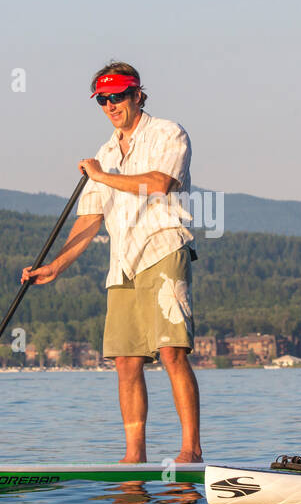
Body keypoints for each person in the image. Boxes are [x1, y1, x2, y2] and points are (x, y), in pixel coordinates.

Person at [21, 61, 202, 465]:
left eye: (117, 96)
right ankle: (133, 457)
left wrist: (102, 177)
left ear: (138, 95)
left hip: (163, 248)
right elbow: (88, 220)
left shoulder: (168, 133)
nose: (110, 105)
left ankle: (190, 450)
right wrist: (56, 266)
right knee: (125, 361)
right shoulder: (104, 154)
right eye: (103, 99)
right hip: (122, 263)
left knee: (172, 351)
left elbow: (159, 186)